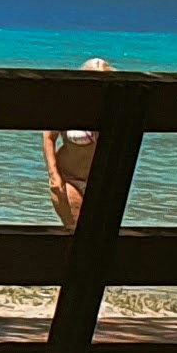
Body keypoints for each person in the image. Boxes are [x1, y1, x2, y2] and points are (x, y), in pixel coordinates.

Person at [45, 55, 116, 226]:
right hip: (69, 179)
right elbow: (48, 136)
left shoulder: (114, 108)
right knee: (75, 231)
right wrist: (54, 175)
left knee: (99, 236)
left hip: (101, 183)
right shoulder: (69, 106)